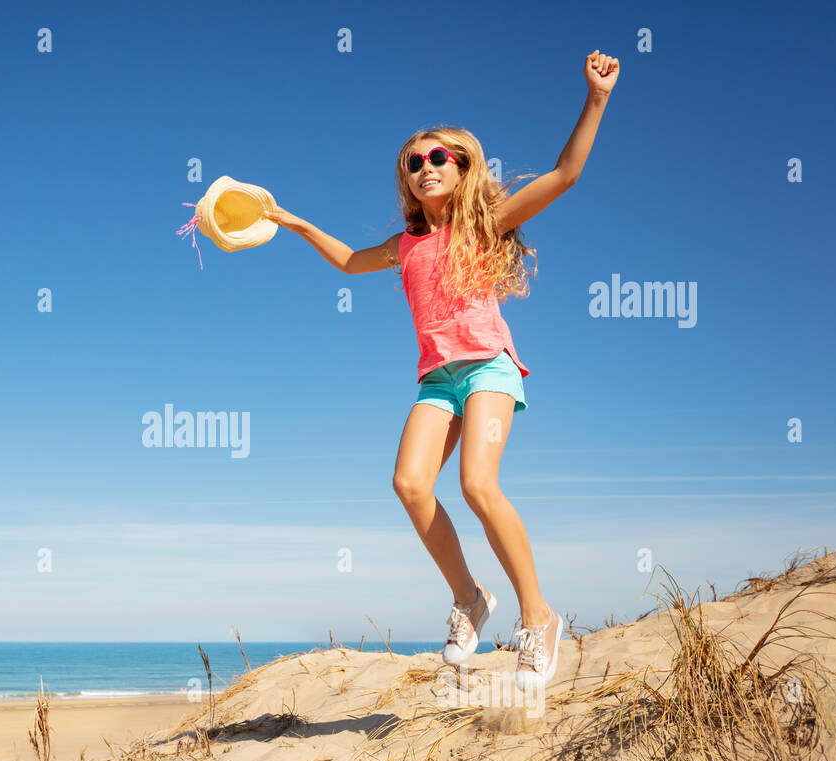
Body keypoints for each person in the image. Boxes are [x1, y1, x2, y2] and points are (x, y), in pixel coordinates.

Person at [263, 50, 620, 691]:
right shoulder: (407, 246)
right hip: (438, 379)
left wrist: (595, 97)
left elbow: (566, 174)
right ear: (406, 178)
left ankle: (538, 618)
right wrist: (292, 221)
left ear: (461, 168)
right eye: (414, 162)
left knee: (479, 485)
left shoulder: (485, 222)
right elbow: (347, 262)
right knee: (408, 484)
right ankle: (470, 598)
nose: (426, 167)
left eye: (438, 159)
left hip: (487, 369)